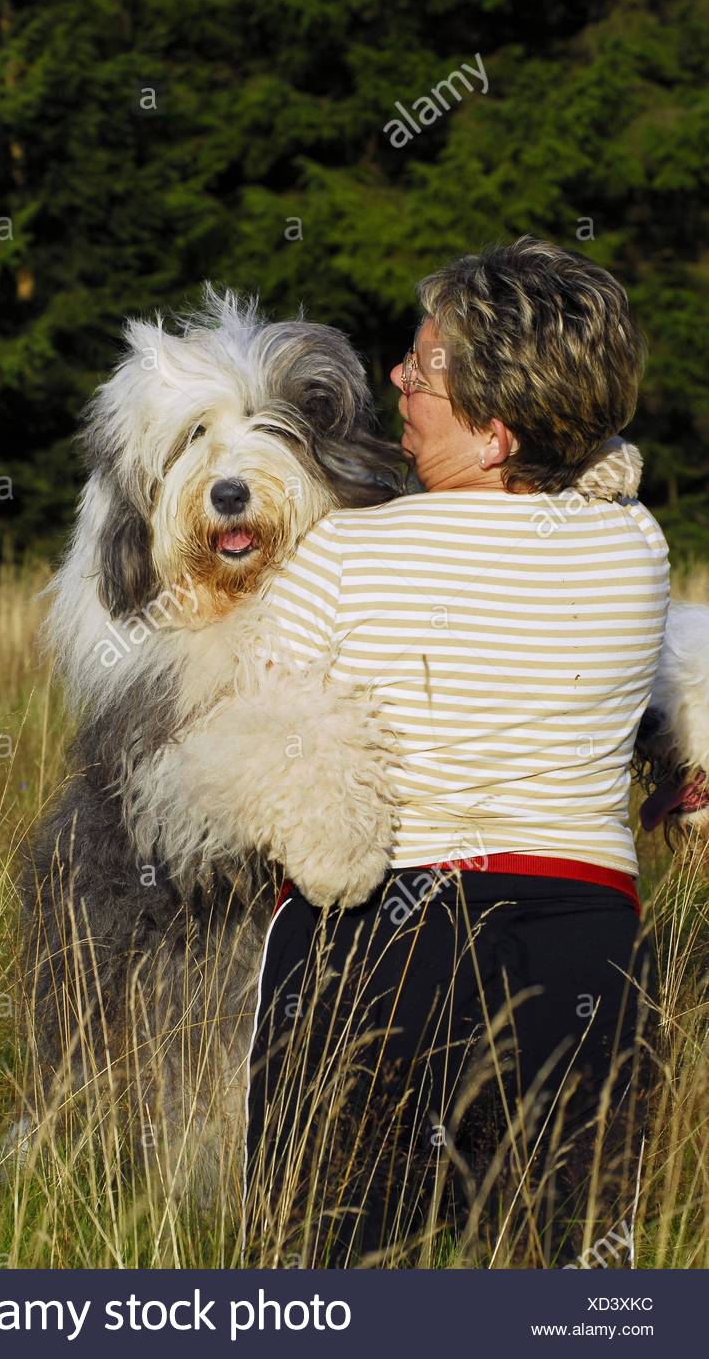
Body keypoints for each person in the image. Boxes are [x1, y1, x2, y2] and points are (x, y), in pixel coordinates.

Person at [241, 236, 669, 1268]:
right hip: (585, 956)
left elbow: (263, 745)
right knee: (567, 1287)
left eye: (424, 367)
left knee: (333, 1272)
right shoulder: (637, 547)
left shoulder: (341, 552)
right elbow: (596, 480)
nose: (396, 376)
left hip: (378, 950)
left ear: (492, 429)